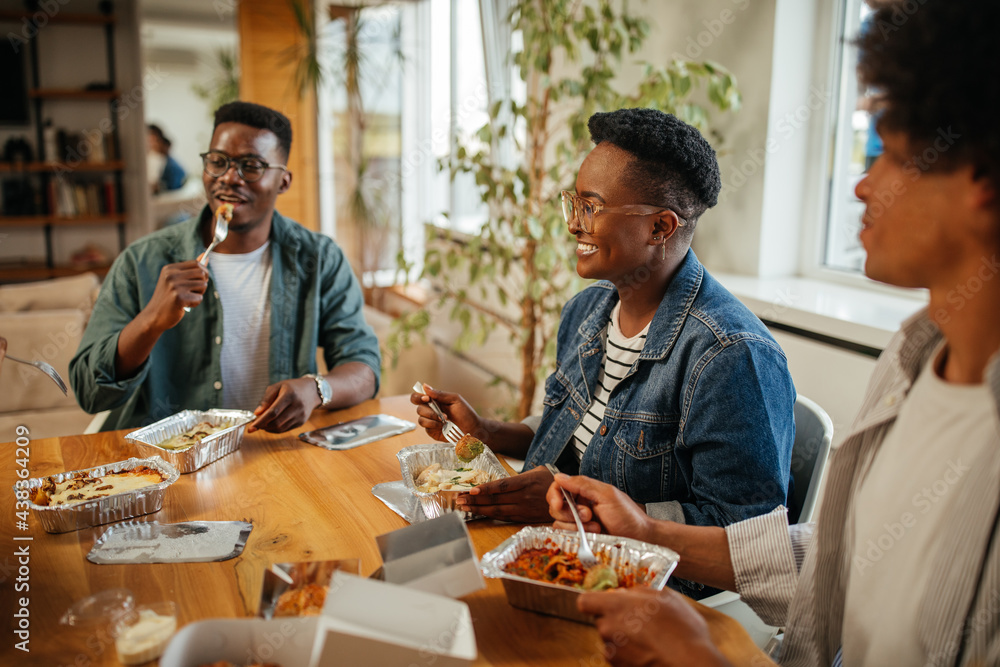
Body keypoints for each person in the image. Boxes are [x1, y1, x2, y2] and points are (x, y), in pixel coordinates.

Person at [549, 1, 1000, 664]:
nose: (861, 184)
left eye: (894, 154)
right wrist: (646, 530)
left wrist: (704, 657)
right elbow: (842, 559)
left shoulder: (729, 350)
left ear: (982, 179)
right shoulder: (912, 358)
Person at [412, 109, 796, 543]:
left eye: (591, 207)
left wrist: (577, 511)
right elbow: (575, 431)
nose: (574, 223)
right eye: (573, 203)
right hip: (547, 543)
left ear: (659, 227)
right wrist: (488, 432)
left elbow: (747, 534)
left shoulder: (730, 356)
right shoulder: (586, 311)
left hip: (647, 588)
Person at [72, 101, 381, 432]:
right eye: (218, 162)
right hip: (166, 461)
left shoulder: (319, 259)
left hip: (273, 454)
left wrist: (316, 389)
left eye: (251, 166)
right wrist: (150, 322)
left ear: (283, 182)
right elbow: (90, 391)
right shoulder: (142, 261)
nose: (230, 178)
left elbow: (364, 369)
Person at [147, 124, 187, 193]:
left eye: (153, 139)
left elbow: (174, 185)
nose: (150, 143)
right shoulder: (150, 158)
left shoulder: (171, 165)